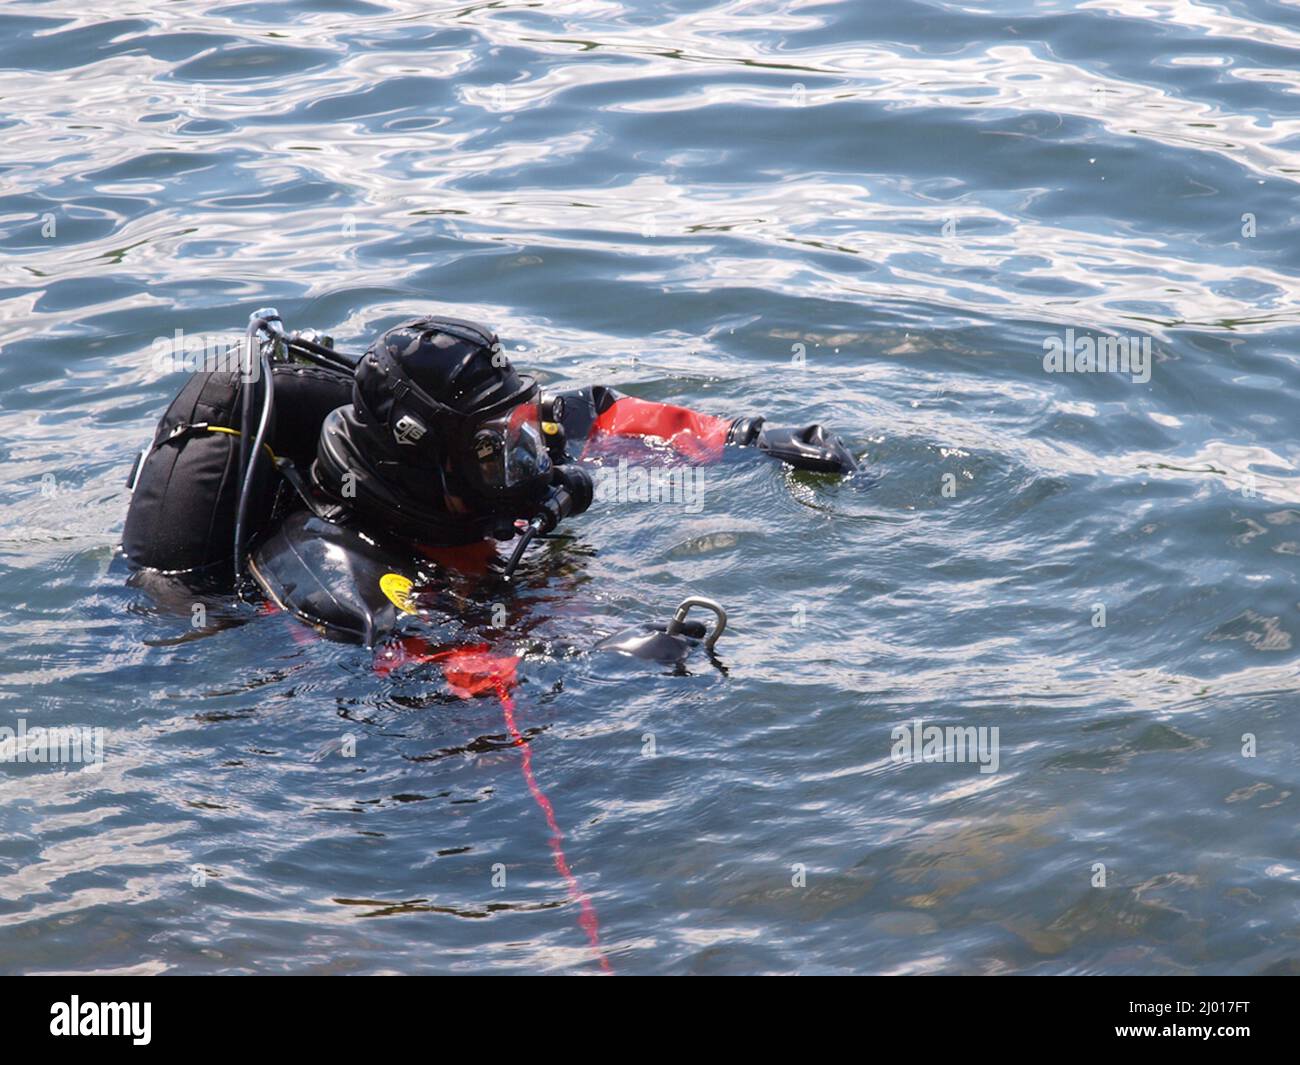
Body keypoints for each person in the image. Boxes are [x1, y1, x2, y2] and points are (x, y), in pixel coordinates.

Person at [124, 313, 859, 647]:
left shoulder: (476, 449)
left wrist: (746, 439)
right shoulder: (337, 569)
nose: (525, 463)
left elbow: (591, 419)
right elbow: (450, 665)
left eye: (518, 438)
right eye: (495, 452)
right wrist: (611, 658)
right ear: (423, 461)